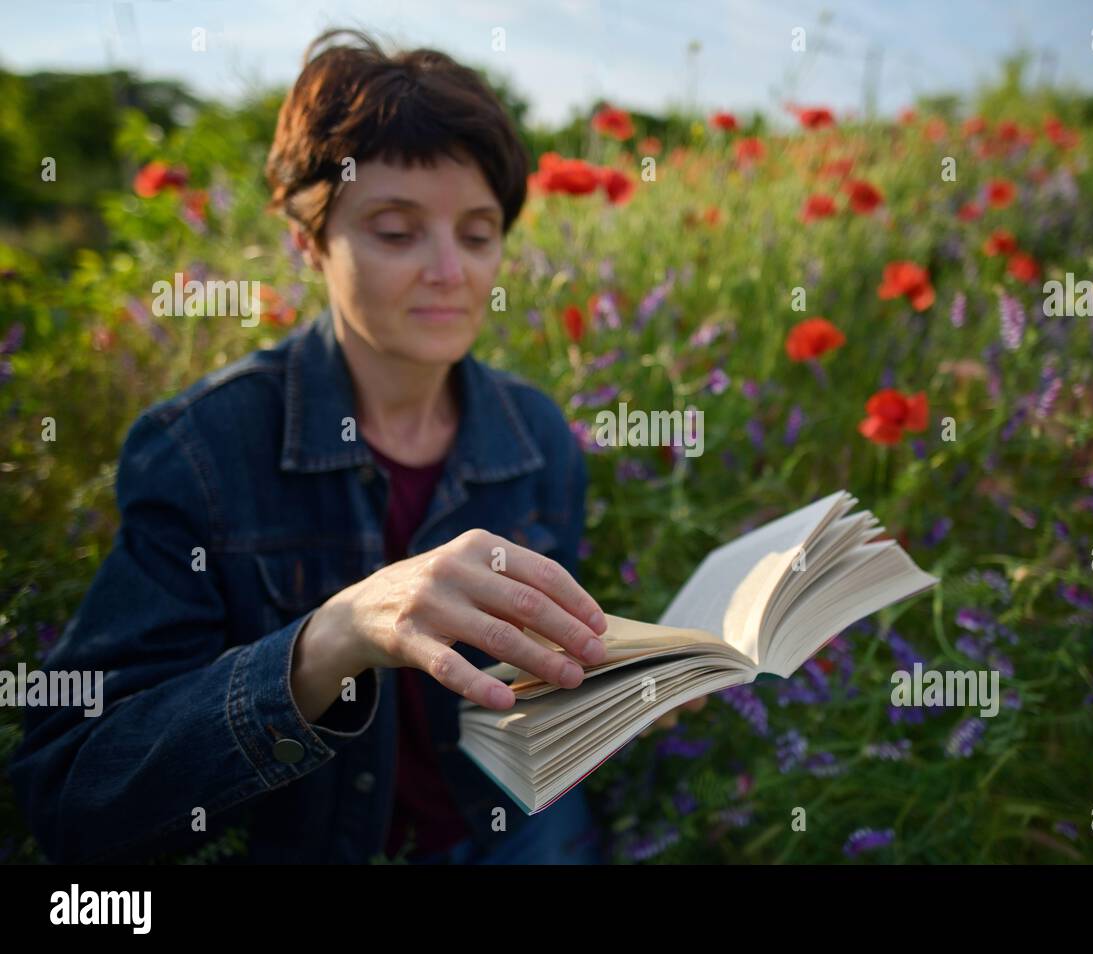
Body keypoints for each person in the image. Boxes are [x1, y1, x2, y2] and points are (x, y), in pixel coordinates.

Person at [9, 28, 697, 865]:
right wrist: (331, 638)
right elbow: (71, 790)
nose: (449, 270)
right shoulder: (204, 450)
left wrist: (625, 681)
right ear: (308, 240)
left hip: (524, 829)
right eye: (397, 232)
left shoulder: (538, 434)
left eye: (478, 234)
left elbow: (525, 693)